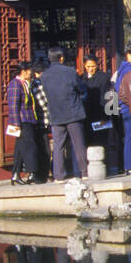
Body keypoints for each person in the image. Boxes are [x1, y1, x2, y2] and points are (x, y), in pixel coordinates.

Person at [38, 47, 89, 181]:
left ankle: (59, 176)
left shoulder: (44, 76)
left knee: (58, 146)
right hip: (73, 112)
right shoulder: (70, 72)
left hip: (55, 114)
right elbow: (81, 88)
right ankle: (83, 173)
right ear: (61, 58)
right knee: (78, 144)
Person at [6, 61, 41, 185]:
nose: (31, 73)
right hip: (22, 120)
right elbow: (13, 105)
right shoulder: (15, 84)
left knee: (20, 149)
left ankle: (15, 174)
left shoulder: (26, 84)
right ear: (24, 71)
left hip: (29, 119)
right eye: (29, 71)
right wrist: (16, 123)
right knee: (29, 147)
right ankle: (32, 172)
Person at [112, 44, 131, 173]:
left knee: (130, 135)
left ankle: (129, 165)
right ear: (128, 55)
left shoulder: (122, 69)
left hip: (126, 106)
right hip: (130, 107)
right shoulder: (129, 70)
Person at [80, 56, 113, 152]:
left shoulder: (104, 77)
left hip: (102, 115)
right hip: (87, 115)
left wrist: (111, 116)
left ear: (97, 65)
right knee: (89, 143)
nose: (90, 69)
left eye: (93, 66)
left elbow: (110, 96)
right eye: (88, 66)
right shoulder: (82, 78)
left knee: (101, 143)